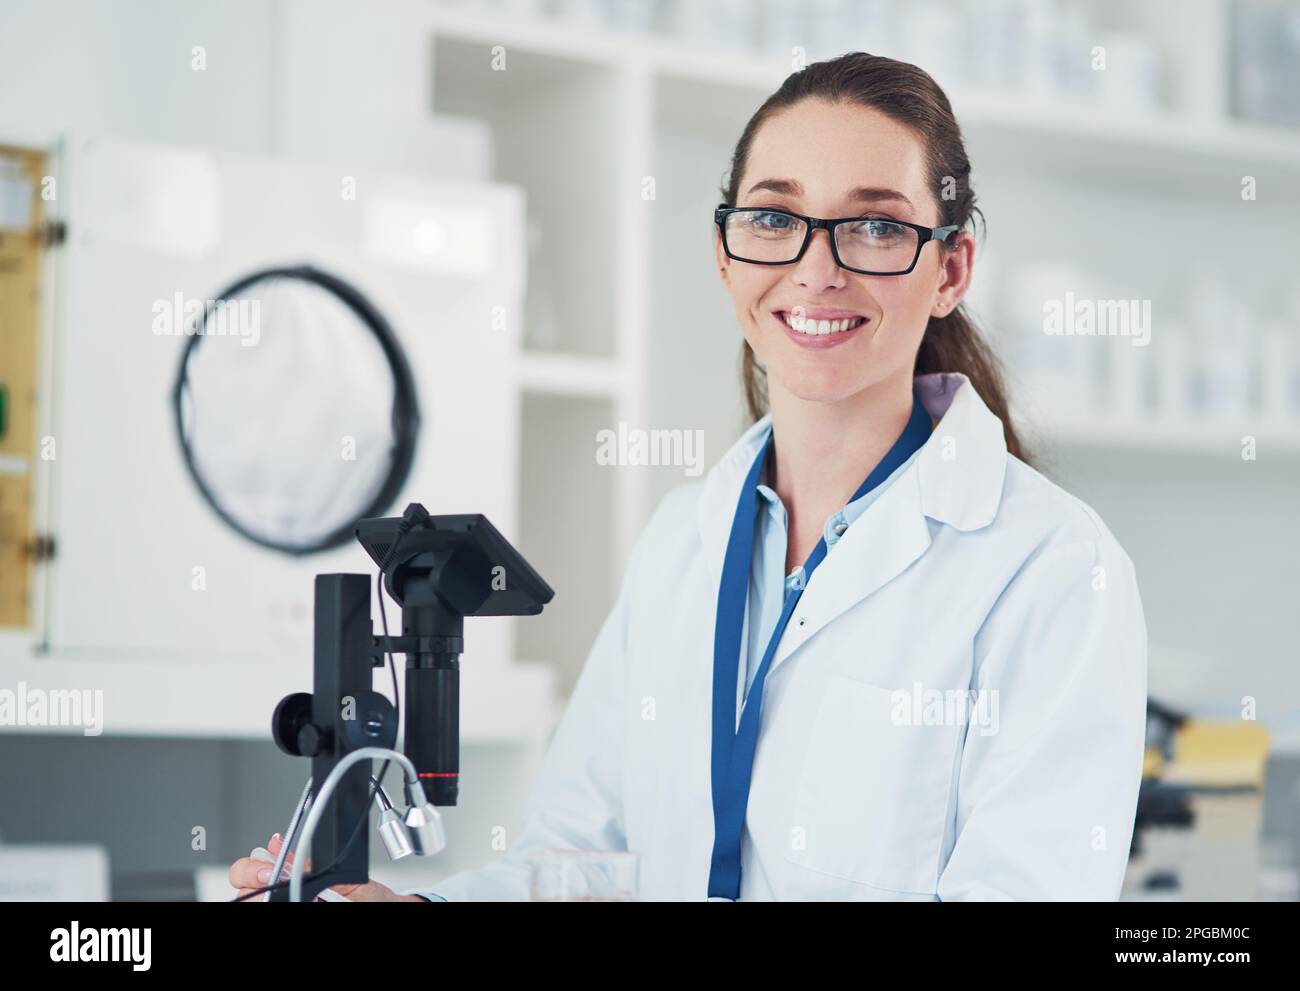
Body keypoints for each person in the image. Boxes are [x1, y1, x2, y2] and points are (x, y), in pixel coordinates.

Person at [231, 51, 1146, 903]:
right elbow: (585, 856)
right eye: (776, 218)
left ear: (950, 268)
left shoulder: (1052, 570)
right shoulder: (684, 536)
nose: (815, 268)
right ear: (726, 253)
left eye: (873, 225)